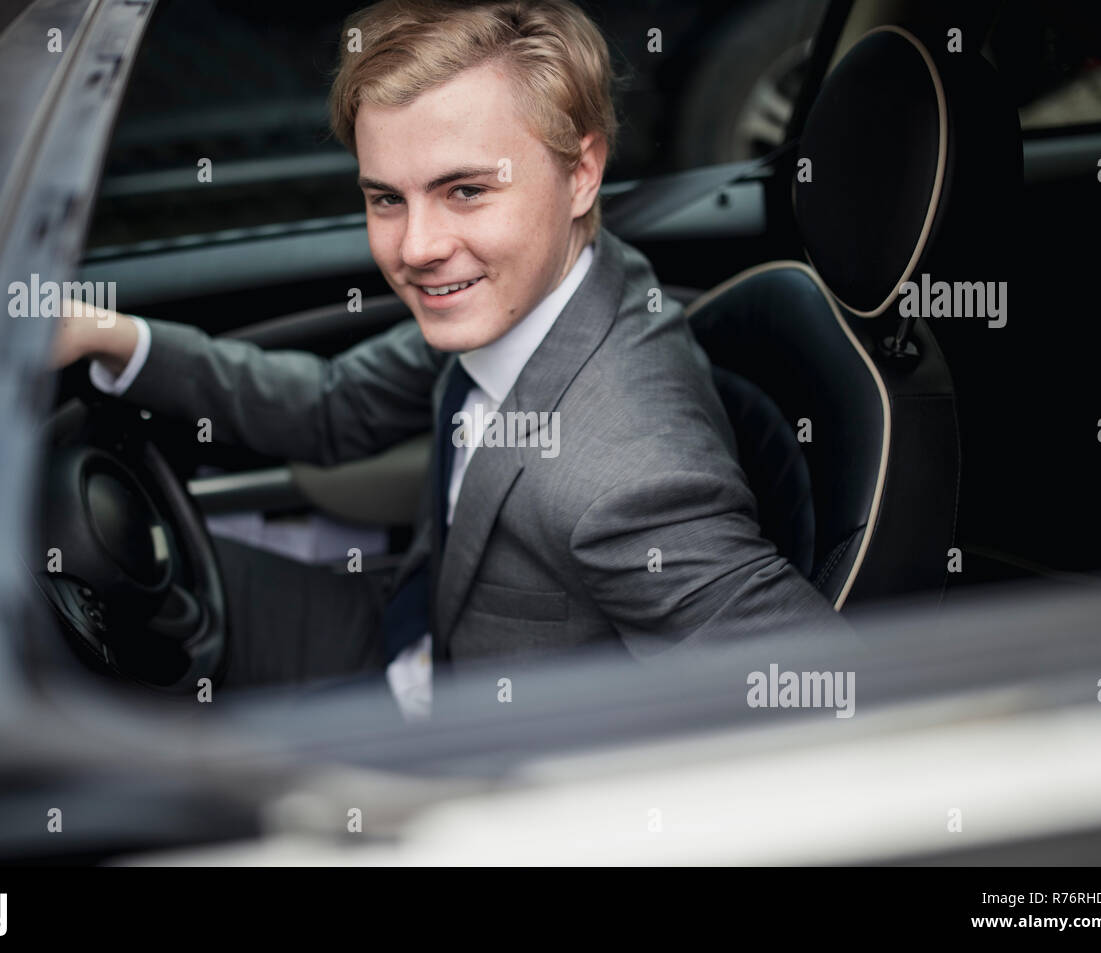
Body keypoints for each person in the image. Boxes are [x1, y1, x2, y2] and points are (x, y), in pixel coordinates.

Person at [52, 0, 849, 719]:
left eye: (465, 191)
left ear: (581, 172)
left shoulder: (626, 482)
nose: (417, 249)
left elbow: (831, 698)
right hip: (408, 632)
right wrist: (112, 336)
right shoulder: (546, 286)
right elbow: (334, 405)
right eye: (386, 199)